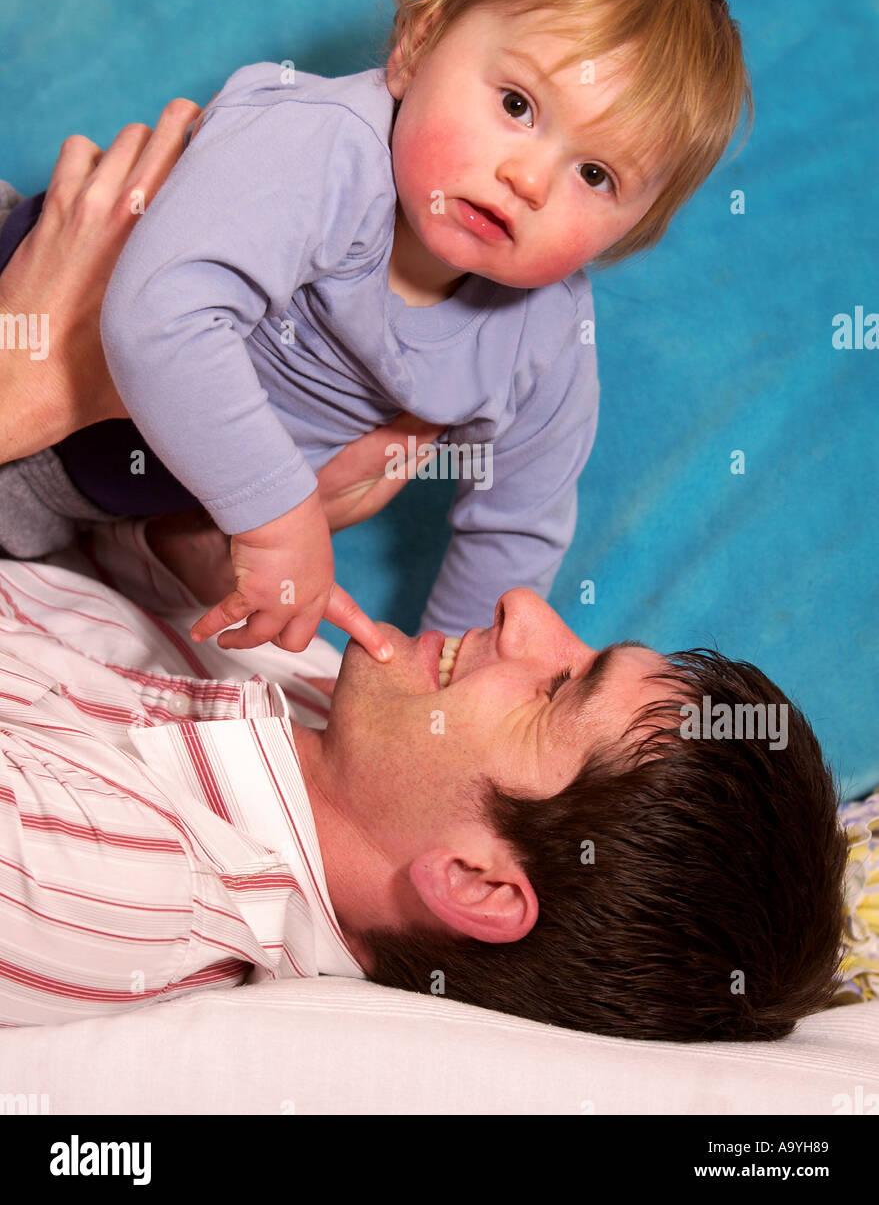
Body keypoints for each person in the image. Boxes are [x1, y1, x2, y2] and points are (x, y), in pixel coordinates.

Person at [0, 120, 852, 1040]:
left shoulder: (101, 885)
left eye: (559, 688)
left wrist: (31, 384)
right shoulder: (340, 712)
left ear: (476, 884)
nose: (524, 609)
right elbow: (61, 569)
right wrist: (209, 527)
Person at [0, 0, 753, 663]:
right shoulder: (324, 148)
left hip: (80, 498)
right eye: (517, 105)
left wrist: (446, 683)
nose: (527, 179)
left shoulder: (545, 337)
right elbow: (160, 315)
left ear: (632, 233)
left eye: (594, 174)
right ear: (416, 49)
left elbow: (516, 528)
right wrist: (279, 518)